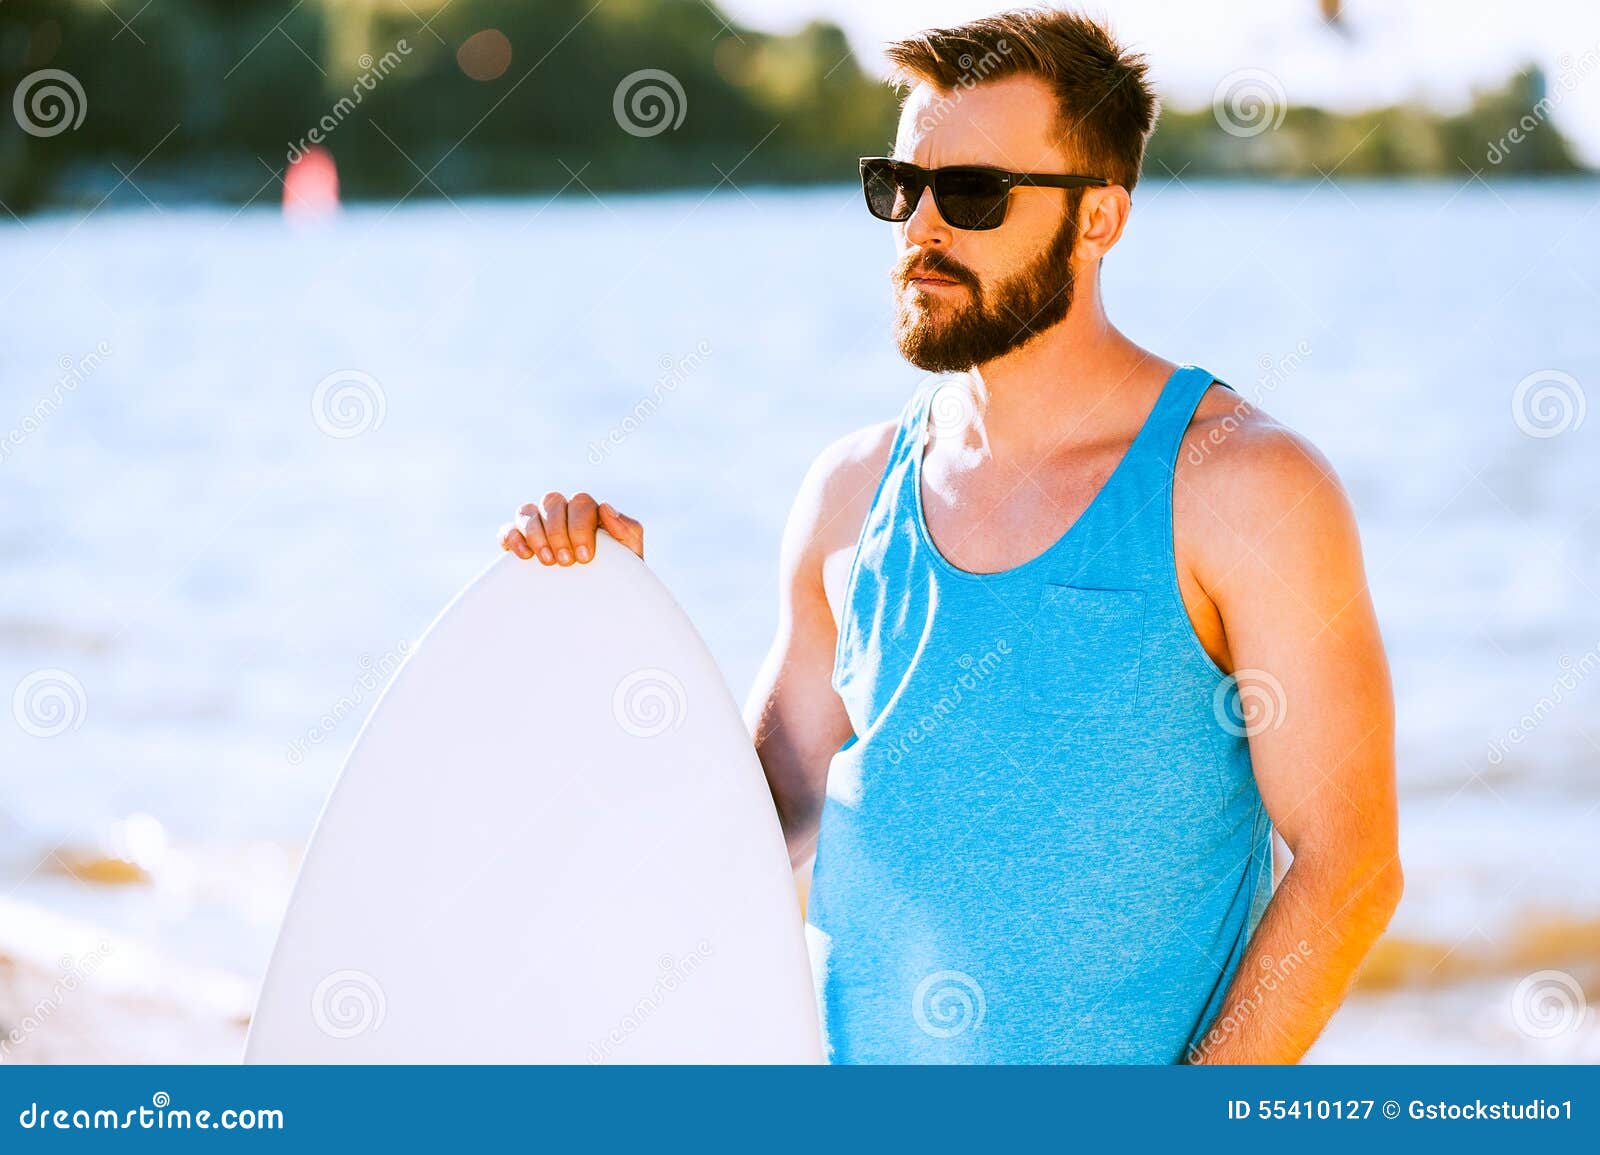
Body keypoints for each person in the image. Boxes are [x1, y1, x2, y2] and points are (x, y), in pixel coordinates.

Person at [499, 7, 1400, 1064]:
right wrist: (618, 621)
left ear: (1099, 219)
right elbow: (757, 818)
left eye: (972, 195)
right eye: (899, 186)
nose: (922, 228)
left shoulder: (1241, 487)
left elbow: (1350, 869)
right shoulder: (847, 494)